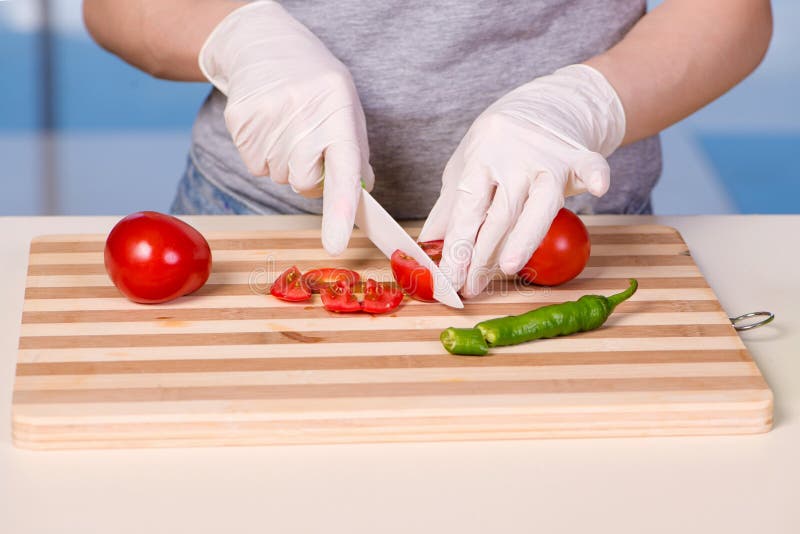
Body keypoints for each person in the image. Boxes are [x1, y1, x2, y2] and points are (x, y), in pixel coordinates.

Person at [84, 0, 772, 297]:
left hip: (568, 229)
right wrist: (238, 37)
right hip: (252, 217)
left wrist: (586, 103)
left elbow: (735, 13)